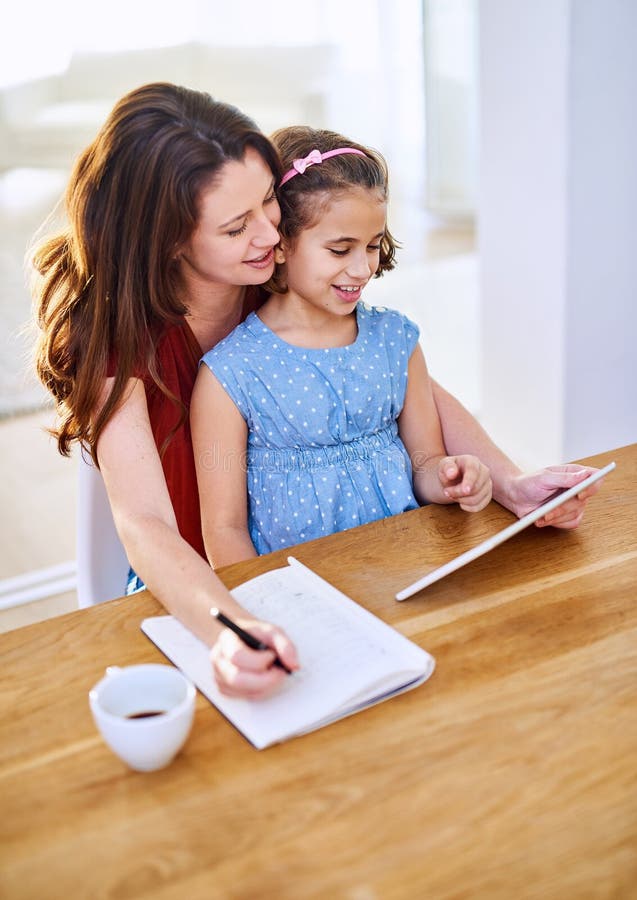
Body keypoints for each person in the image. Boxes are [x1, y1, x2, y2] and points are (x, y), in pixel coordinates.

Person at [31, 82, 602, 701]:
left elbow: (413, 387)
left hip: (340, 556)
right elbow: (144, 522)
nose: (270, 237)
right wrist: (233, 627)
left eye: (269, 206)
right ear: (168, 239)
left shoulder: (279, 277)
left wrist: (514, 486)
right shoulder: (111, 340)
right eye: (236, 226)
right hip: (213, 586)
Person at [191, 127, 493, 567]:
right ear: (281, 242)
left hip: (407, 569)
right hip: (304, 592)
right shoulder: (231, 373)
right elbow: (224, 530)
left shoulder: (395, 340)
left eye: (372, 246)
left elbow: (426, 462)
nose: (362, 267)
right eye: (339, 249)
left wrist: (451, 478)